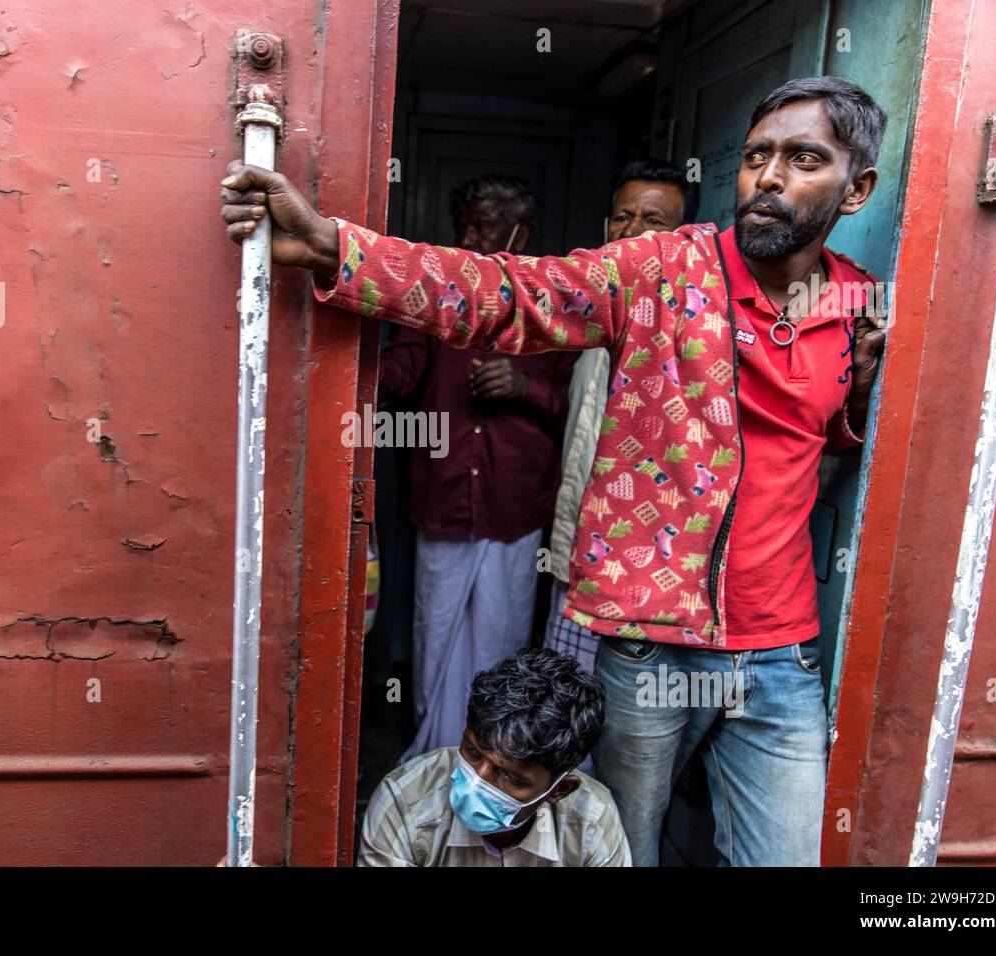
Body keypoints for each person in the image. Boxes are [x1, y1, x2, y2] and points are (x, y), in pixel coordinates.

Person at [219, 75, 889, 866]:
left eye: (803, 159)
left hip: (778, 652)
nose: (769, 177)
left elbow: (823, 441)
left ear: (857, 189)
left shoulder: (853, 303)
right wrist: (335, 246)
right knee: (626, 852)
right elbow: (510, 292)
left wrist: (861, 388)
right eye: (756, 157)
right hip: (649, 642)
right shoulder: (665, 272)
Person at [377, 174, 577, 759]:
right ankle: (435, 761)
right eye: (463, 226)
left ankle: (494, 760)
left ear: (522, 233)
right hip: (443, 504)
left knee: (501, 642)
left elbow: (586, 411)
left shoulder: (560, 309)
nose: (469, 238)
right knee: (433, 637)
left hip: (516, 511)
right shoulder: (437, 300)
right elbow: (402, 370)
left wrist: (526, 388)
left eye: (482, 227)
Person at [547, 159, 700, 680]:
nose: (632, 233)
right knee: (566, 700)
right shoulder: (589, 311)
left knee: (621, 714)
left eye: (653, 222)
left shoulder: (691, 326)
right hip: (574, 551)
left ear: (683, 236)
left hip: (641, 571)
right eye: (622, 217)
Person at [356, 647, 630, 866]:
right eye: (473, 752)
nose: (478, 778)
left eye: (509, 776)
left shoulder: (591, 822)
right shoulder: (405, 801)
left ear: (559, 789)